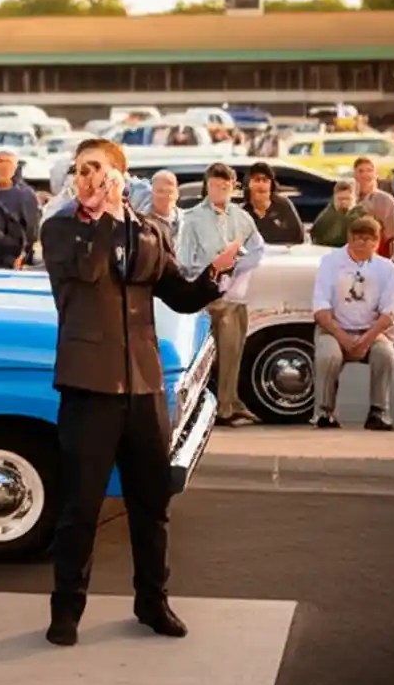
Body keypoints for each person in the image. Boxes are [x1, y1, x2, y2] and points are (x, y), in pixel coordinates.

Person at [40, 138, 237, 646]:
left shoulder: (149, 230)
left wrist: (215, 275)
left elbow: (179, 292)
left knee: (151, 506)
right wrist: (103, 214)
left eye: (98, 169)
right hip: (89, 387)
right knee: (80, 509)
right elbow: (87, 271)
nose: (88, 179)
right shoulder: (62, 228)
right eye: (81, 171)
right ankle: (66, 611)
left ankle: (153, 602)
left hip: (145, 387)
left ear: (122, 176)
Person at [178, 163, 266, 426]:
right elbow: (184, 260)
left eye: (226, 185)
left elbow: (258, 248)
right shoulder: (192, 218)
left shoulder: (242, 218)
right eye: (216, 185)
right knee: (203, 357)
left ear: (233, 187)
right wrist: (212, 271)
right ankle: (203, 407)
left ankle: (229, 402)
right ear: (208, 185)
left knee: (234, 348)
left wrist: (238, 267)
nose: (221, 190)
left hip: (234, 293)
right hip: (204, 295)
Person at [311, 216, 394, 431]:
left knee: (385, 354)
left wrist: (366, 339)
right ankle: (325, 412)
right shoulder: (330, 262)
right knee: (329, 356)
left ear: (376, 242)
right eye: (357, 237)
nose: (362, 243)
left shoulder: (387, 269)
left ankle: (379, 411)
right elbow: (320, 309)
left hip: (370, 329)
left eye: (368, 238)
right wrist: (341, 336)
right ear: (349, 238)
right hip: (334, 328)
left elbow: (390, 313)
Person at [0, 149, 42, 264]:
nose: (4, 167)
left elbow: (32, 231)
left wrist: (22, 255)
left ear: (14, 169)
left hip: (14, 257)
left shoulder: (25, 195)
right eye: (0, 162)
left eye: (8, 163)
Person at [243, 161, 304, 244]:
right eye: (257, 180)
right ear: (248, 184)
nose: (261, 185)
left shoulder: (283, 206)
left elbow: (298, 237)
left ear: (271, 185)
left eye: (265, 180)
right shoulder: (243, 212)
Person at [311, 179, 367, 248]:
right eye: (340, 199)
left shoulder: (363, 215)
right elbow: (316, 234)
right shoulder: (326, 215)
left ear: (355, 199)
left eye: (347, 199)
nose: (343, 202)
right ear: (334, 198)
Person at [148, 169, 184, 238]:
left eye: (170, 191)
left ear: (177, 193)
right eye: (160, 191)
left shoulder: (189, 222)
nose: (165, 195)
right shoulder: (140, 224)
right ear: (152, 193)